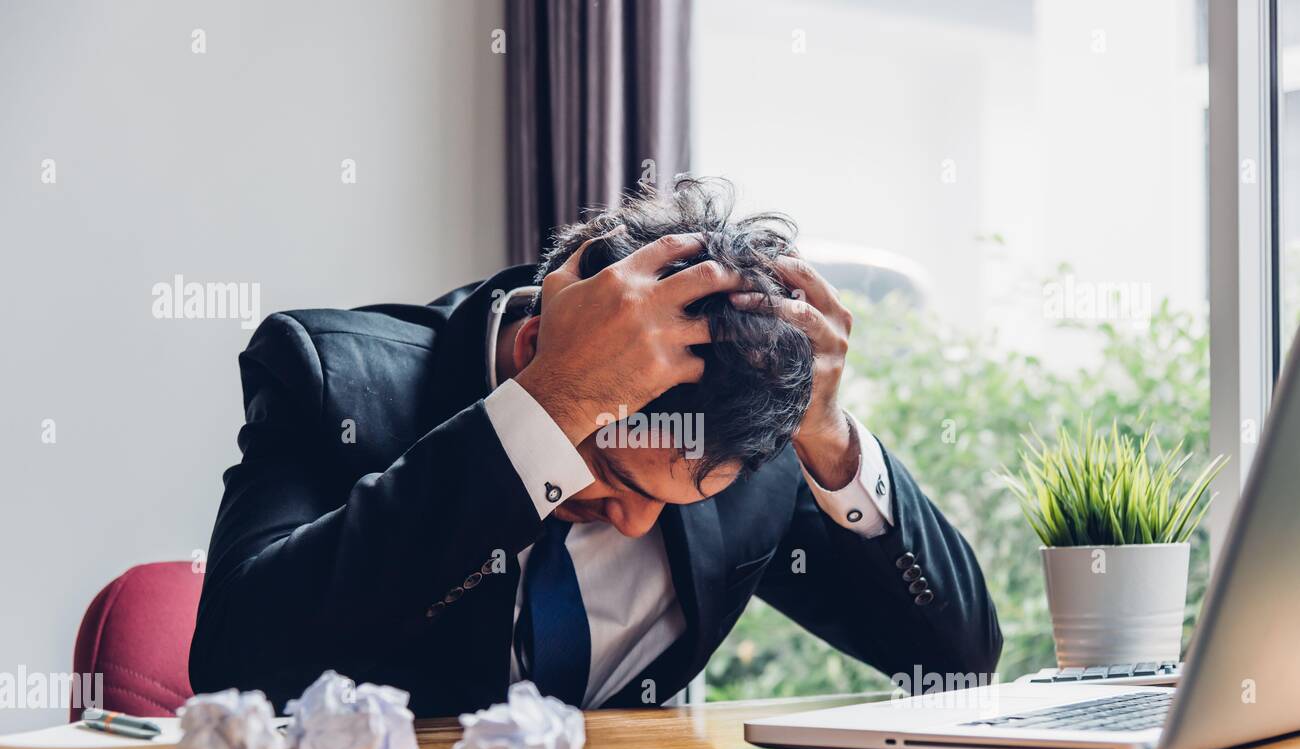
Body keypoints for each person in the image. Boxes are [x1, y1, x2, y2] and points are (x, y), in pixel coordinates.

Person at [189, 177, 1002, 715]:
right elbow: (237, 663)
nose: (640, 523)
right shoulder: (333, 380)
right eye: (612, 472)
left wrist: (826, 438)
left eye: (676, 494)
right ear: (540, 338)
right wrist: (551, 408)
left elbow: (958, 663)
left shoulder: (737, 441)